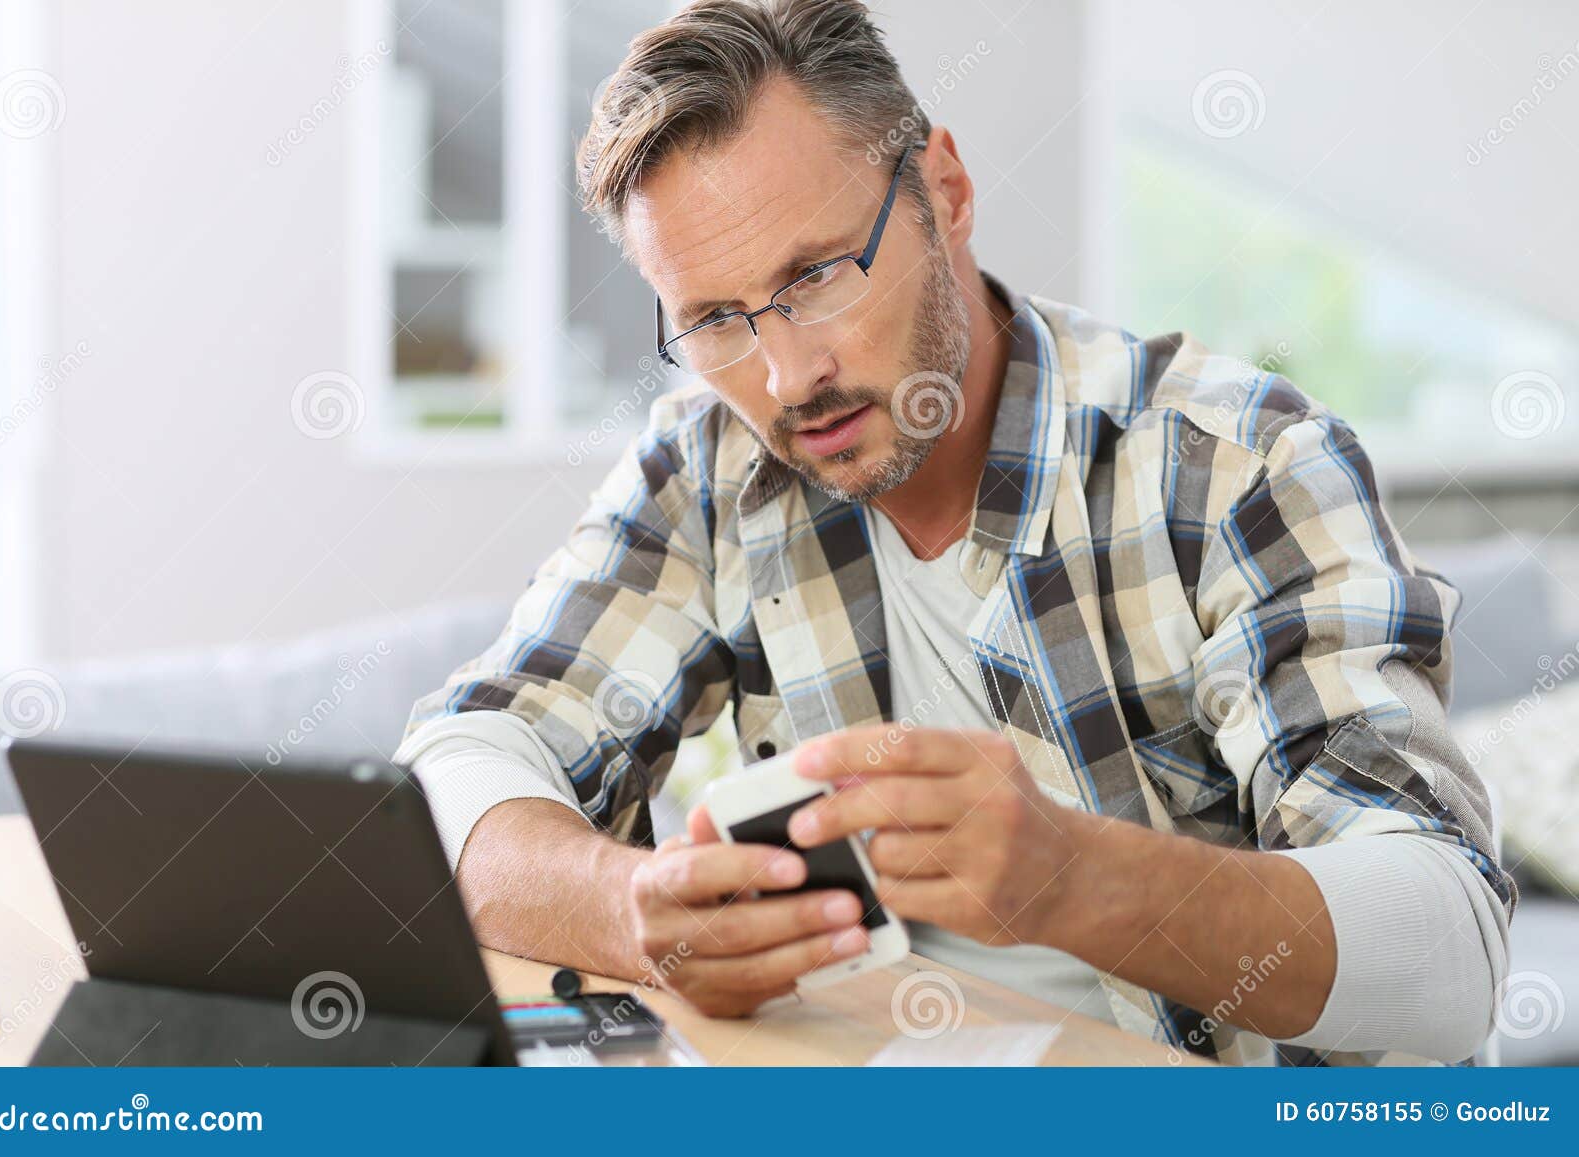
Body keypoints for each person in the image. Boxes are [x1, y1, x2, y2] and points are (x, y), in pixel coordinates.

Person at [397, 0, 1512, 1065]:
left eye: (817, 275)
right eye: (713, 321)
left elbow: (1449, 937)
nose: (788, 377)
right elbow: (456, 763)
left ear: (945, 187)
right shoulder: (709, 468)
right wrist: (629, 911)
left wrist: (1073, 877)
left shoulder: (1236, 462)